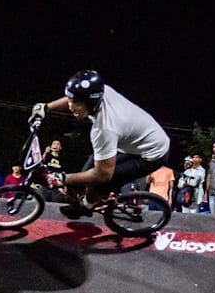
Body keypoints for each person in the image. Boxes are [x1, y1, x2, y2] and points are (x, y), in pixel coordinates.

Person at [32, 69, 172, 217]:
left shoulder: (103, 129)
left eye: (77, 103)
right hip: (137, 142)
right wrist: (46, 107)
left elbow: (103, 175)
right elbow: (74, 97)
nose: (71, 106)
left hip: (152, 154)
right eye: (71, 100)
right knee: (86, 171)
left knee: (100, 183)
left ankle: (87, 205)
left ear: (91, 102)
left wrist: (60, 178)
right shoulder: (100, 92)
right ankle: (90, 196)